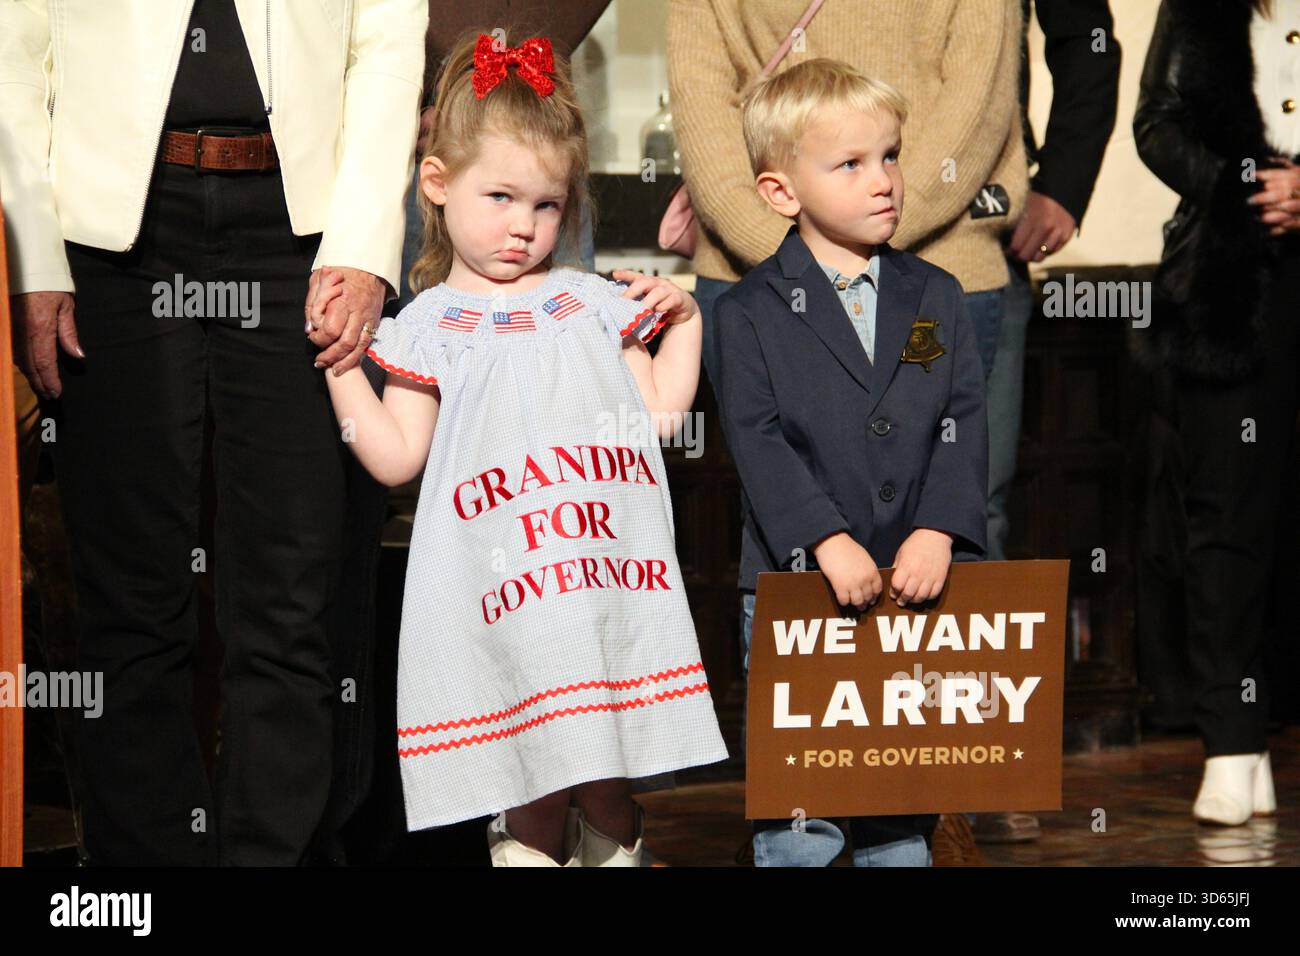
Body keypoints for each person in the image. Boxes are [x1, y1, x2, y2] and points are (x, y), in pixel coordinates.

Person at [1, 0, 427, 865]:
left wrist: (363, 243)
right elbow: (15, 39)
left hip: (301, 237)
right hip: (109, 238)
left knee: (292, 597)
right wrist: (33, 252)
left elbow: (386, 38)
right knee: (129, 603)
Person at [317, 28, 728, 867]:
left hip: (601, 594)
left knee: (610, 787)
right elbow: (396, 457)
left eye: (546, 206)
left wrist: (685, 324)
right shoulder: (428, 325)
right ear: (436, 183)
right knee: (530, 789)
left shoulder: (591, 303)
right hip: (506, 603)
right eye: (500, 198)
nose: (524, 227)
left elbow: (655, 416)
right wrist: (341, 367)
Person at [714, 58, 989, 866]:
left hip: (912, 586)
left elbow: (959, 419)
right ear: (780, 192)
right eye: (851, 164)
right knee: (806, 808)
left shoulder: (935, 297)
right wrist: (825, 539)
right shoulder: (748, 314)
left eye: (892, 155)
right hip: (796, 591)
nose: (885, 182)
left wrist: (938, 528)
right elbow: (758, 441)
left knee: (896, 799)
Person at [669, 0, 1026, 390]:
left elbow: (977, 100)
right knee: (767, 447)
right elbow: (700, 93)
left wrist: (846, 240)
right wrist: (800, 255)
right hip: (750, 273)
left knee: (946, 446)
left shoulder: (937, 286)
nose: (882, 181)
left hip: (937, 265)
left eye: (891, 157)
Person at [1133, 0, 1300, 826]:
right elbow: (1156, 125)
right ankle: (1233, 743)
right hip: (1232, 289)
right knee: (1226, 518)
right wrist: (1246, 188)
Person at [977, 0, 1120, 845]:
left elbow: (1088, 41)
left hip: (978, 246)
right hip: (818, 235)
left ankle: (986, 767)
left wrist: (1061, 182)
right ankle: (822, 776)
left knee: (977, 503)